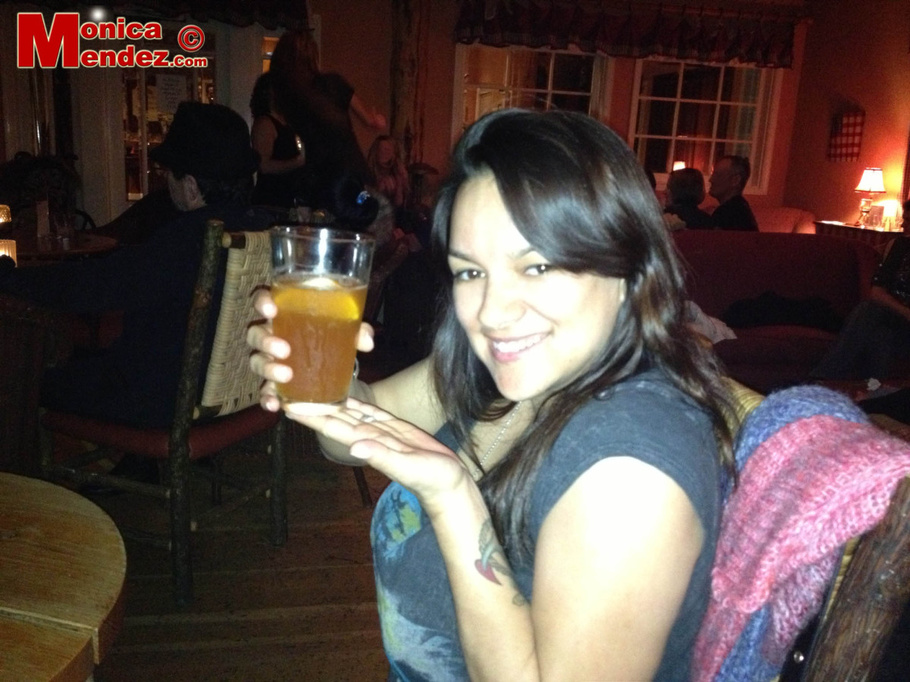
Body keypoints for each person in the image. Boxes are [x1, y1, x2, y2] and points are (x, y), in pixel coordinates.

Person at [248, 109, 736, 679]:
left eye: (538, 266)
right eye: (470, 272)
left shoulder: (630, 468)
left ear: (628, 267)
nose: (492, 313)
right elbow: (356, 433)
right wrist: (318, 375)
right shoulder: (507, 369)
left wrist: (454, 498)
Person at [0, 101, 272, 433]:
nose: (165, 181)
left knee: (33, 378)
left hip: (163, 400)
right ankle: (142, 463)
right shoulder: (261, 229)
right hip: (237, 393)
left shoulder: (188, 239)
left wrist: (10, 277)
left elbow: (94, 286)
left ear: (190, 185)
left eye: (168, 173)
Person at [268, 28, 386, 213]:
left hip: (321, 178)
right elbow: (370, 121)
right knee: (364, 218)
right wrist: (376, 119)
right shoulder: (333, 84)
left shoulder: (287, 98)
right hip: (352, 172)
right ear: (312, 56)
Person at [811, 200, 910, 383]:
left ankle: (824, 379)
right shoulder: (901, 246)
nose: (904, 225)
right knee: (878, 327)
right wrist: (905, 312)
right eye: (904, 219)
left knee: (876, 323)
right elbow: (877, 292)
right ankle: (870, 390)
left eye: (909, 221)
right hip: (893, 316)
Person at [249, 72, 307, 208]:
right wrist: (298, 161)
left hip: (289, 197)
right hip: (272, 201)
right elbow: (263, 166)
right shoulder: (264, 123)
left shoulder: (288, 122)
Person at [708, 155, 758, 231]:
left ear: (736, 180)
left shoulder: (726, 214)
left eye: (718, 175)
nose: (711, 180)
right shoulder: (740, 210)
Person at [367, 134, 410, 211]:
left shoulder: (396, 171)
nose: (385, 152)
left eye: (389, 149)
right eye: (382, 149)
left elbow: (399, 203)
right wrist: (376, 190)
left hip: (391, 214)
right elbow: (359, 200)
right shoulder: (367, 171)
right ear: (375, 151)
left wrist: (400, 183)